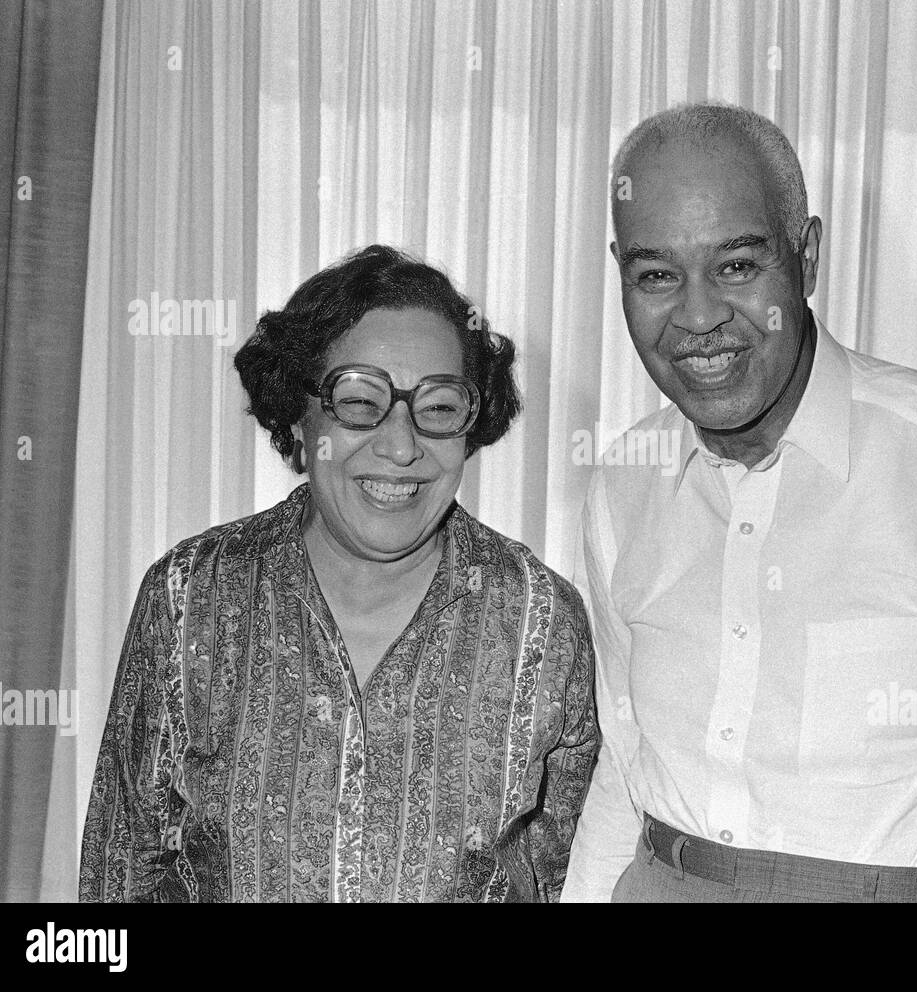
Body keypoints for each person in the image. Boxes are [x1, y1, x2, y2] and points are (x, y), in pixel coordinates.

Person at [562, 103, 917, 903]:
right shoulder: (622, 485)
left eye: (736, 265)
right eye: (656, 274)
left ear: (807, 258)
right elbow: (624, 773)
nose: (697, 316)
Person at [80, 245, 598, 902]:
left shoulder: (542, 622)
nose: (402, 445)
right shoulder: (191, 598)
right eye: (359, 400)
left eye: (438, 407)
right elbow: (119, 869)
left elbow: (564, 879)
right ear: (300, 416)